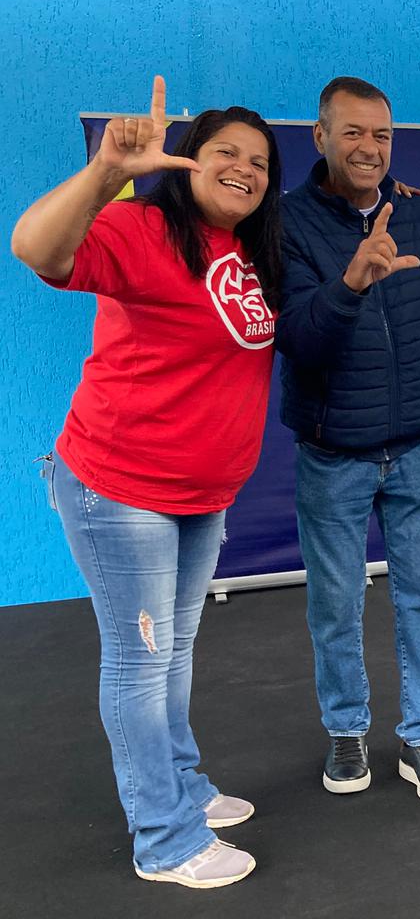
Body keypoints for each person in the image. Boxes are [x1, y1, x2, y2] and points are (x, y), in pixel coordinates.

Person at [11, 77, 282, 887]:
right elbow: (35, 249)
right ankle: (163, 838)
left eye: (260, 162)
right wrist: (104, 175)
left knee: (178, 651)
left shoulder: (251, 249)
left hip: (201, 494)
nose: (243, 169)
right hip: (120, 488)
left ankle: (183, 787)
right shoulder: (139, 225)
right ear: (188, 161)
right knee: (140, 662)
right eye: (225, 153)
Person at [275, 77, 420, 804]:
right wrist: (350, 284)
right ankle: (347, 730)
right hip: (332, 454)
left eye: (381, 135)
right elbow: (297, 339)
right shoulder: (288, 225)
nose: (369, 147)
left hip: (415, 445)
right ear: (320, 138)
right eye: (352, 132)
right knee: (335, 601)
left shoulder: (418, 216)